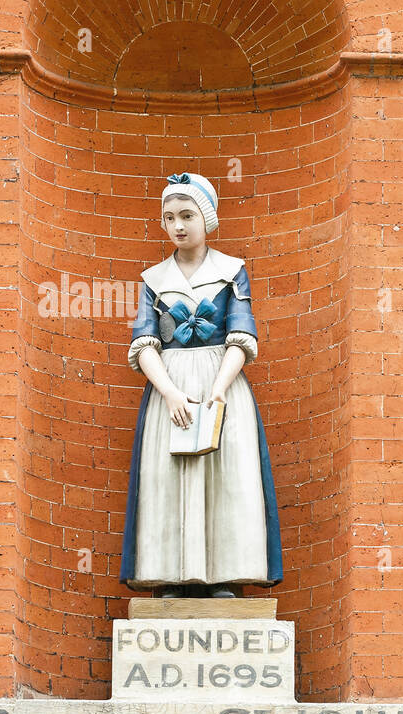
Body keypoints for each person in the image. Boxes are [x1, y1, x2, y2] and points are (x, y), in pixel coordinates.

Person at [119, 172, 282, 598]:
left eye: (187, 215)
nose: (178, 225)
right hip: (170, 386)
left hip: (220, 386)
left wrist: (220, 387)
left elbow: (241, 338)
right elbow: (144, 343)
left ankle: (225, 575)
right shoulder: (153, 278)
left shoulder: (232, 272)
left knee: (226, 478)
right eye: (169, 217)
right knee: (167, 479)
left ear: (206, 219)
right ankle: (170, 575)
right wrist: (169, 390)